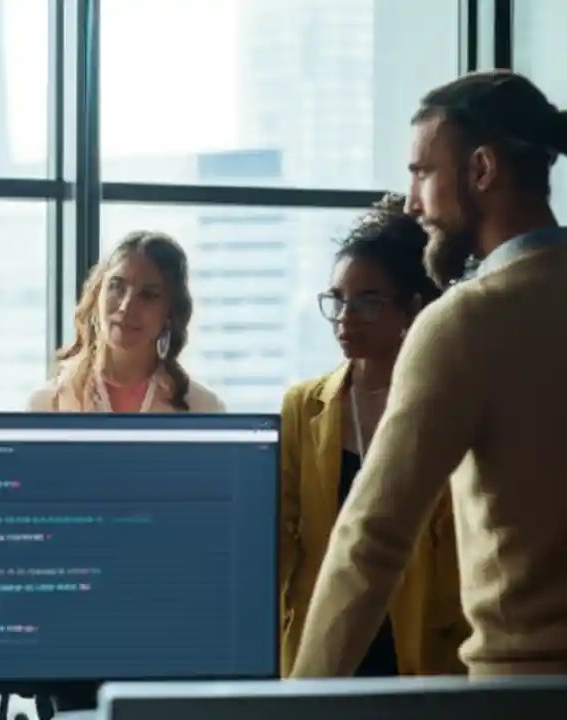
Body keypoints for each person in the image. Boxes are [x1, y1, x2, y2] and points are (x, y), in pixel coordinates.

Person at [292, 70, 567, 677]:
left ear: (481, 170)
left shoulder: (467, 322)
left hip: (523, 696)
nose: (412, 203)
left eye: (421, 174)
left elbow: (370, 541)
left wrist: (299, 703)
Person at [279, 193, 465, 678]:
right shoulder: (305, 406)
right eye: (337, 299)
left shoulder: (450, 405)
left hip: (428, 655)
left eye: (367, 301)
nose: (345, 316)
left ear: (412, 307)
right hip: (326, 651)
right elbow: (282, 542)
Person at [28, 230, 224, 413]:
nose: (126, 307)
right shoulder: (48, 406)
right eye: (116, 286)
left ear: (170, 313)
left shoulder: (202, 409)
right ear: (97, 294)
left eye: (148, 295)